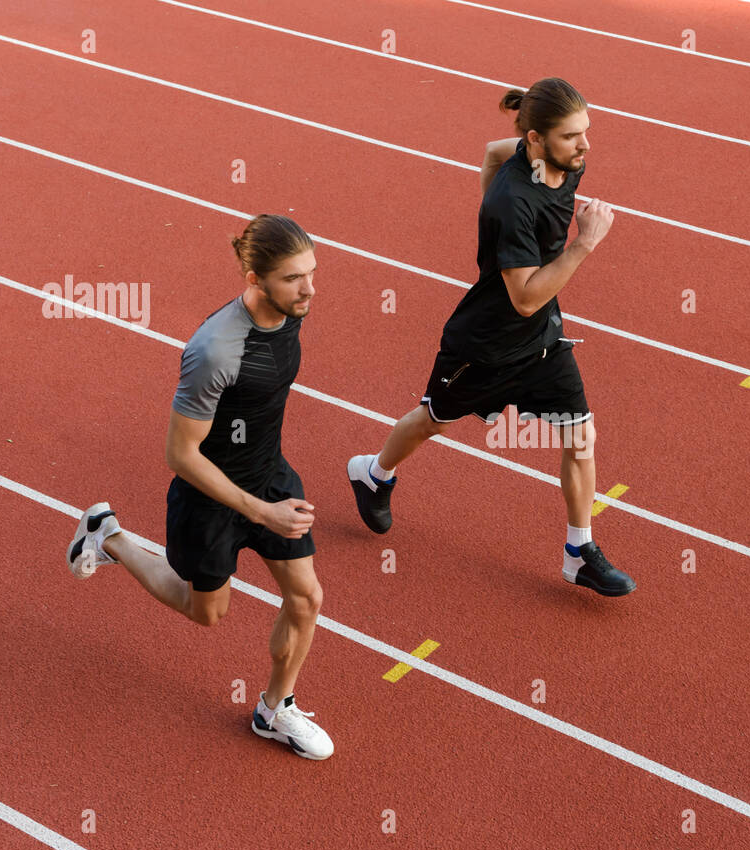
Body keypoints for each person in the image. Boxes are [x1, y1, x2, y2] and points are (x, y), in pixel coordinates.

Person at [347, 78, 636, 597]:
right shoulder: (512, 204)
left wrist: (496, 182)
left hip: (542, 340)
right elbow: (524, 296)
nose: (586, 146)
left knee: (580, 437)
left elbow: (490, 150)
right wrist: (583, 245)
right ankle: (373, 472)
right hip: (485, 346)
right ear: (537, 139)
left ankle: (578, 551)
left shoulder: (563, 161)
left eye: (586, 132)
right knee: (432, 420)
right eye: (572, 136)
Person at [66, 214, 334, 759]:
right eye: (292, 278)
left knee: (306, 598)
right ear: (255, 278)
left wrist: (267, 499)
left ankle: (274, 710)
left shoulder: (291, 312)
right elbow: (179, 454)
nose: (309, 288)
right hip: (209, 502)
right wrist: (261, 512)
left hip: (270, 479)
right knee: (205, 612)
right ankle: (109, 534)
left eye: (311, 272)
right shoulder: (214, 351)